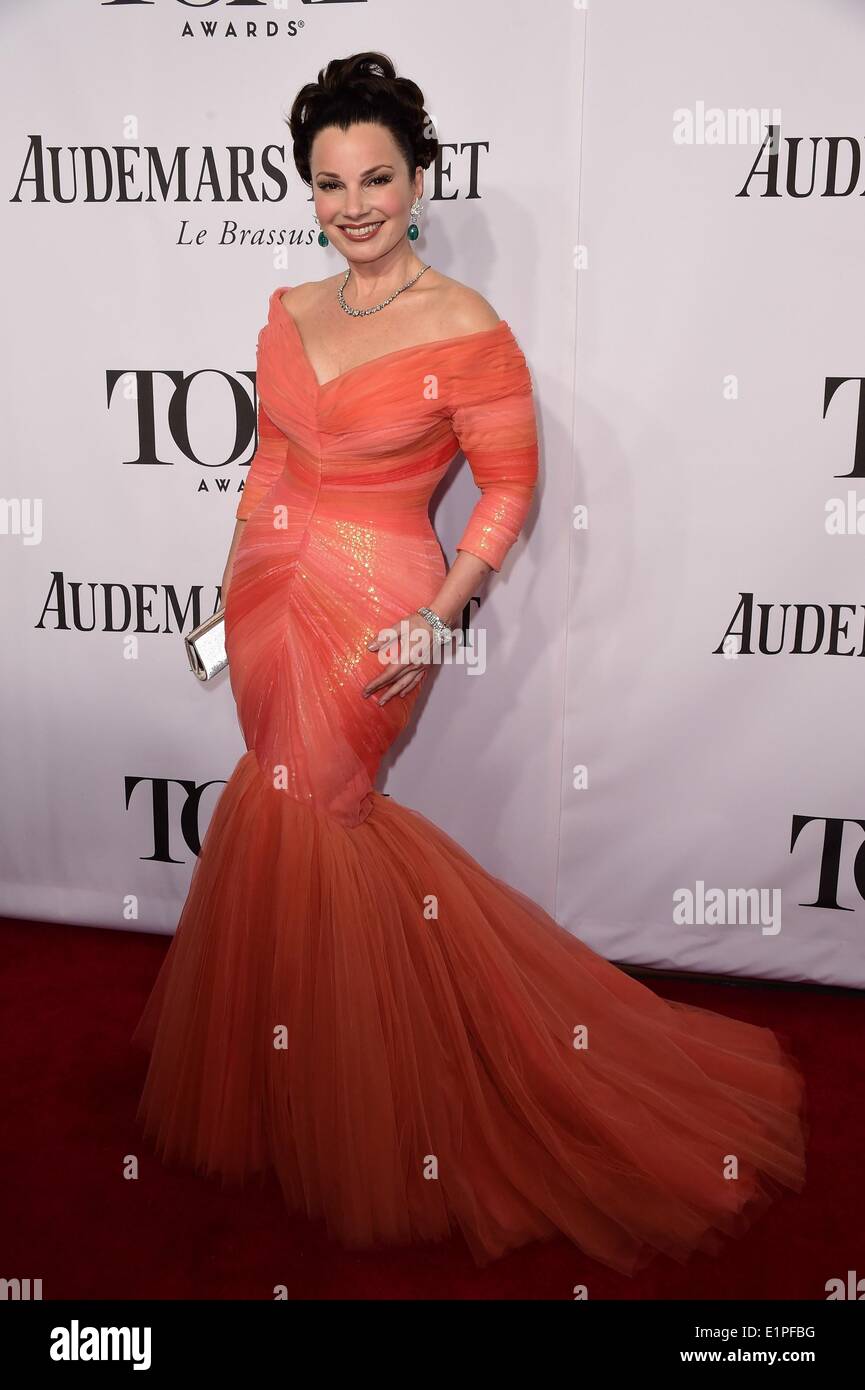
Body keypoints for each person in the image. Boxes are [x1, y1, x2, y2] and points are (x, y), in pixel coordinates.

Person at [132, 52, 807, 1274]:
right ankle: (300, 1074)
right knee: (279, 813)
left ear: (420, 179)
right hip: (265, 599)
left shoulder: (466, 329)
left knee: (323, 811)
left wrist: (440, 617)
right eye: (330, 182)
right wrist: (225, 601)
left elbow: (506, 489)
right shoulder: (287, 313)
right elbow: (269, 467)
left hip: (379, 605)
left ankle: (381, 1092)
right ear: (308, 189)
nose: (353, 205)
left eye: (376, 178)